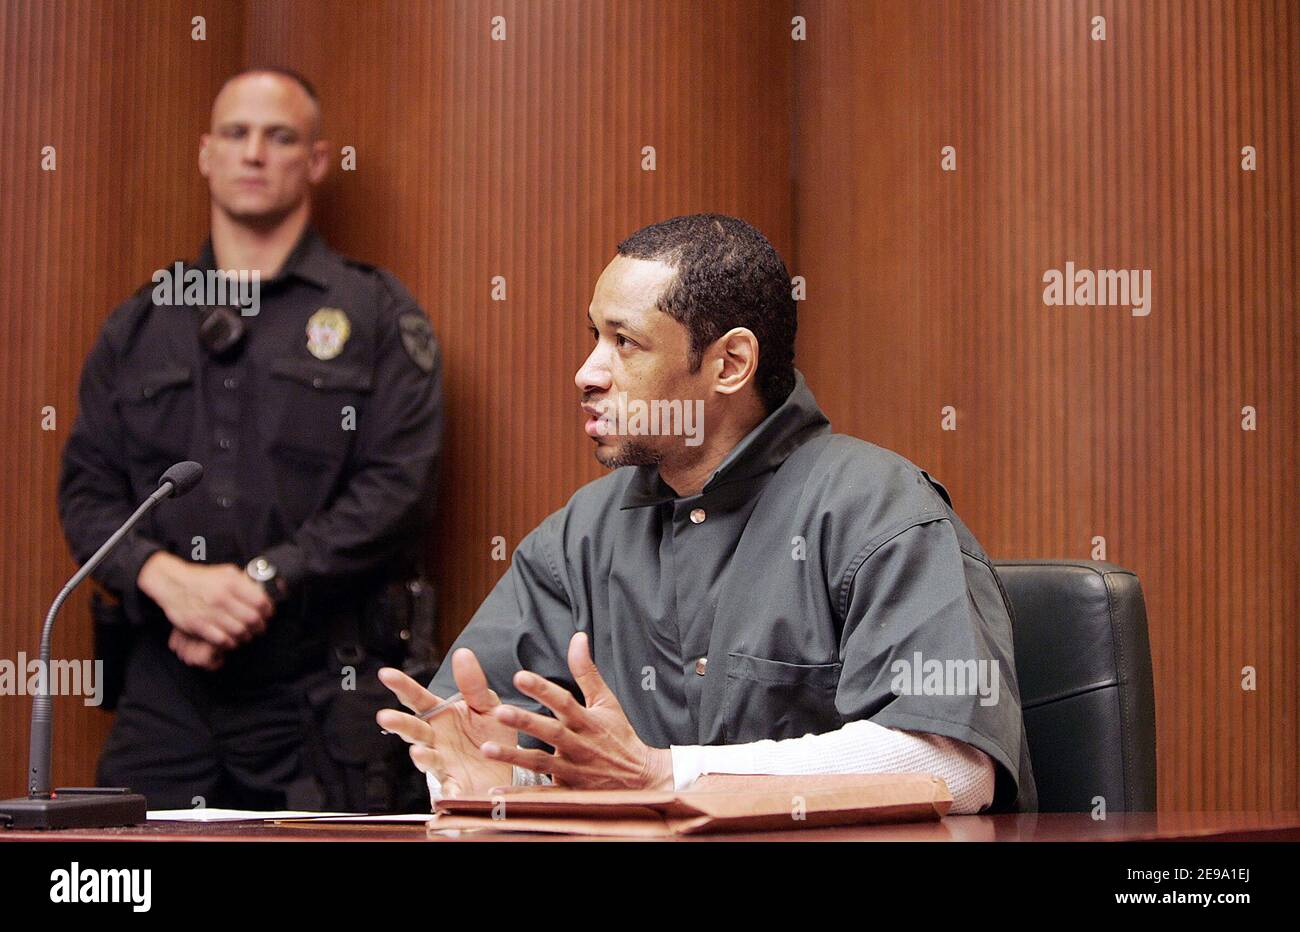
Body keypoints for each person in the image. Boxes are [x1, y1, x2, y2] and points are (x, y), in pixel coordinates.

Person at [378, 214, 1036, 814]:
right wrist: (500, 775)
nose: (586, 372)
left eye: (624, 342)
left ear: (730, 363)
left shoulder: (878, 509)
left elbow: (954, 767)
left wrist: (669, 774)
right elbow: (517, 745)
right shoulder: (582, 532)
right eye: (593, 336)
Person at [58, 68, 442, 811]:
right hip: (166, 684)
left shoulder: (375, 313)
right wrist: (166, 578)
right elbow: (87, 492)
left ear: (318, 161)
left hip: (320, 684)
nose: (255, 153)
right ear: (206, 154)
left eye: (280, 136)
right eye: (236, 134)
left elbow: (400, 486)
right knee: (111, 880)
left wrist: (261, 579)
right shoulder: (140, 323)